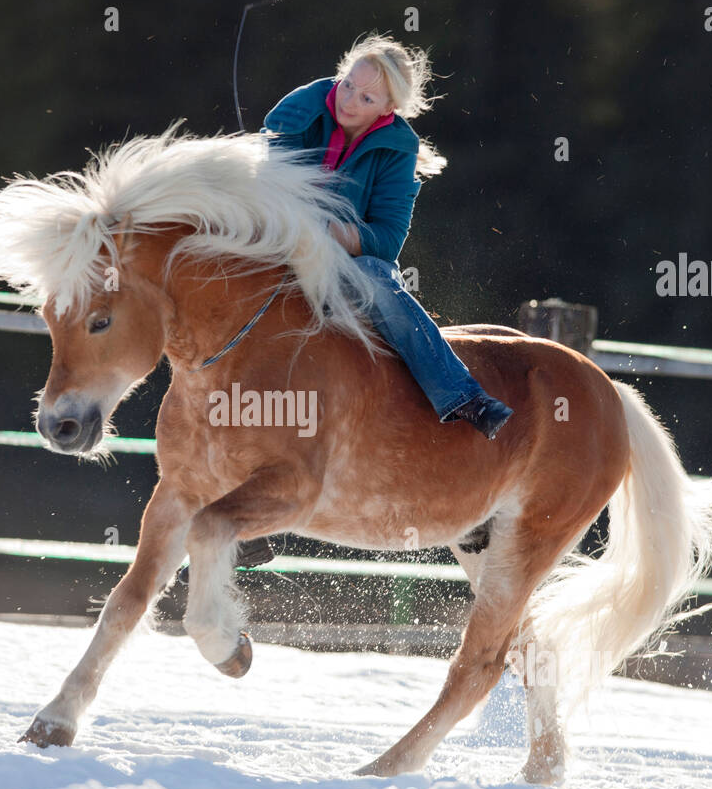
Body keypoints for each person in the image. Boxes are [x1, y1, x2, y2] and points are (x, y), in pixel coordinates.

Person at [217, 34, 512, 573]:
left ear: (389, 109)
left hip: (345, 261)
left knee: (379, 284)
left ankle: (460, 396)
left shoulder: (397, 151)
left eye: (366, 98)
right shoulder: (299, 110)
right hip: (274, 248)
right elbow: (264, 184)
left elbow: (387, 237)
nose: (349, 101)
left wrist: (336, 232)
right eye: (348, 85)